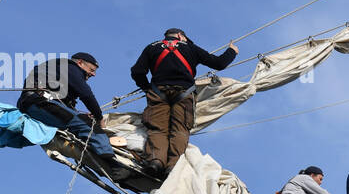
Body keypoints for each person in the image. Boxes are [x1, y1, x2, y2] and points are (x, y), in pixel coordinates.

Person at [130, 28, 238, 175]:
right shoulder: (190, 48)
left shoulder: (151, 47)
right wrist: (232, 51)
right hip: (184, 93)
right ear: (181, 36)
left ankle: (156, 161)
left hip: (158, 92)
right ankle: (172, 167)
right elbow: (219, 63)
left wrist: (147, 88)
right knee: (180, 129)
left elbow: (137, 71)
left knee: (157, 128)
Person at [17, 53, 122, 170]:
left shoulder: (59, 71)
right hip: (40, 103)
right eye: (91, 70)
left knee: (79, 120)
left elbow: (63, 103)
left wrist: (76, 113)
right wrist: (99, 117)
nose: (93, 74)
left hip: (34, 104)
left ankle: (99, 159)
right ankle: (114, 165)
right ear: (80, 63)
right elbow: (86, 94)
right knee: (88, 125)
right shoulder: (71, 68)